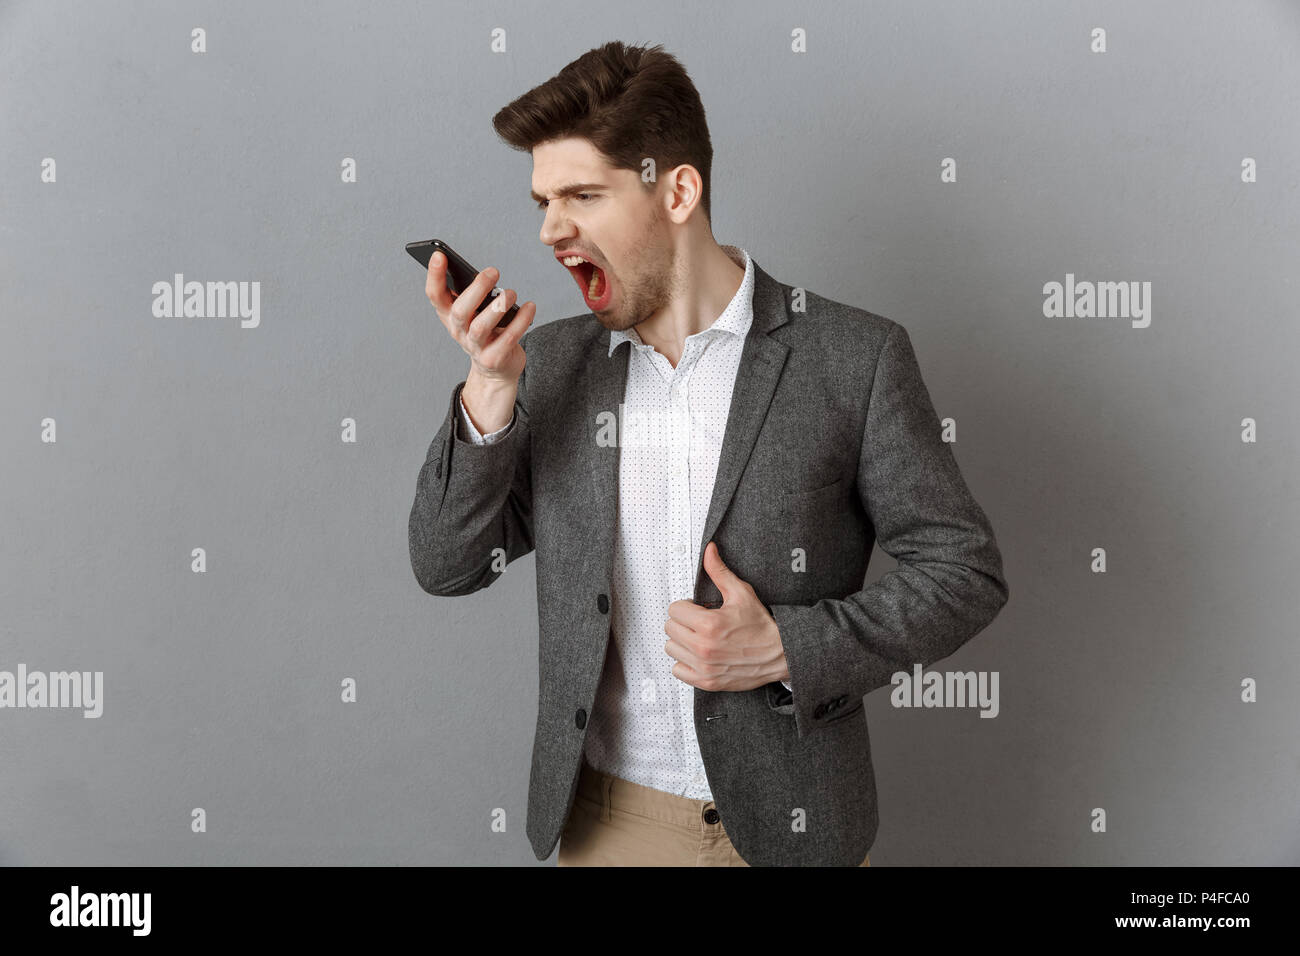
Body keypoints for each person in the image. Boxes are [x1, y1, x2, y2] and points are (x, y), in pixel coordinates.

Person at [409, 41, 1009, 866]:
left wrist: (790, 648)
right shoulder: (548, 369)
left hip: (797, 829)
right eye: (544, 200)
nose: (551, 229)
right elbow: (447, 564)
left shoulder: (853, 358)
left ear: (679, 190)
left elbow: (963, 571)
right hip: (611, 825)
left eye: (583, 194)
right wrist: (488, 387)